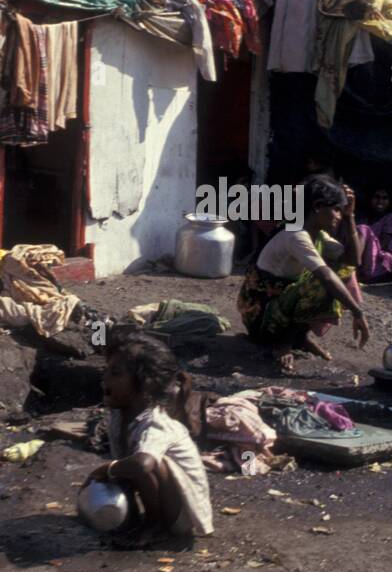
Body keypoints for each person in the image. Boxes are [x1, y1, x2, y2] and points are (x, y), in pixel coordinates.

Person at [85, 335, 213, 547]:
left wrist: (104, 470)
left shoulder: (155, 423)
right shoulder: (119, 416)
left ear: (145, 385)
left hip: (182, 515)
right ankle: (141, 520)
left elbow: (142, 465)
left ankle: (157, 526)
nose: (104, 379)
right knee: (126, 466)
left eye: (115, 373)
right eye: (106, 371)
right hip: (163, 501)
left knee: (147, 463)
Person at [237, 174, 370, 373]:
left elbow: (352, 262)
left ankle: (299, 338)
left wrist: (351, 216)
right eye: (336, 209)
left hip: (278, 312)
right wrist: (357, 313)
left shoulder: (316, 236)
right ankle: (284, 344)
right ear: (317, 207)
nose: (338, 216)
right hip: (261, 319)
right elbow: (326, 277)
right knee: (323, 283)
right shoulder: (295, 235)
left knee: (342, 273)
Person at [356, 187, 392, 283]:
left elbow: (384, 244)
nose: (380, 201)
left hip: (381, 258)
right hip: (364, 257)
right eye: (377, 197)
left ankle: (356, 267)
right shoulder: (364, 219)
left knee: (362, 229)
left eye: (385, 198)